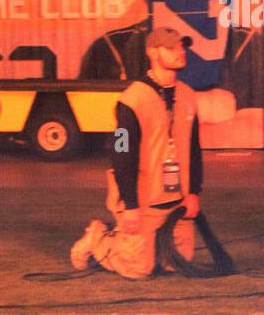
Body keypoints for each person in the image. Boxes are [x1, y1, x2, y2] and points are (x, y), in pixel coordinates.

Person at [70, 28, 204, 279]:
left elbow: (194, 150)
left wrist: (194, 193)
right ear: (152, 53)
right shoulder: (132, 100)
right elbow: (121, 154)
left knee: (176, 265)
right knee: (138, 269)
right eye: (171, 48)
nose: (180, 52)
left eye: (181, 47)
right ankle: (100, 238)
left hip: (177, 200)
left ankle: (142, 242)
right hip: (144, 202)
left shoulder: (187, 95)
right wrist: (130, 205)